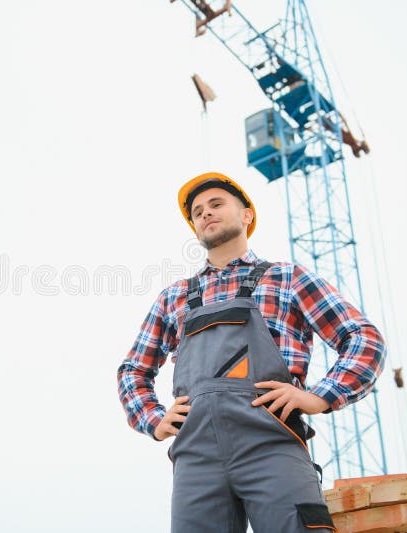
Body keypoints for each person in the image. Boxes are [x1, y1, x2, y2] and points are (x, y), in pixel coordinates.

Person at [116, 171, 386, 532]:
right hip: (197, 458)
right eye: (197, 212)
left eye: (216, 204)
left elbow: (364, 339)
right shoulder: (174, 297)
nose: (206, 214)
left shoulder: (286, 277)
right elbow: (133, 370)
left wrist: (320, 397)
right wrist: (154, 419)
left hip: (271, 447)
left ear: (247, 215)